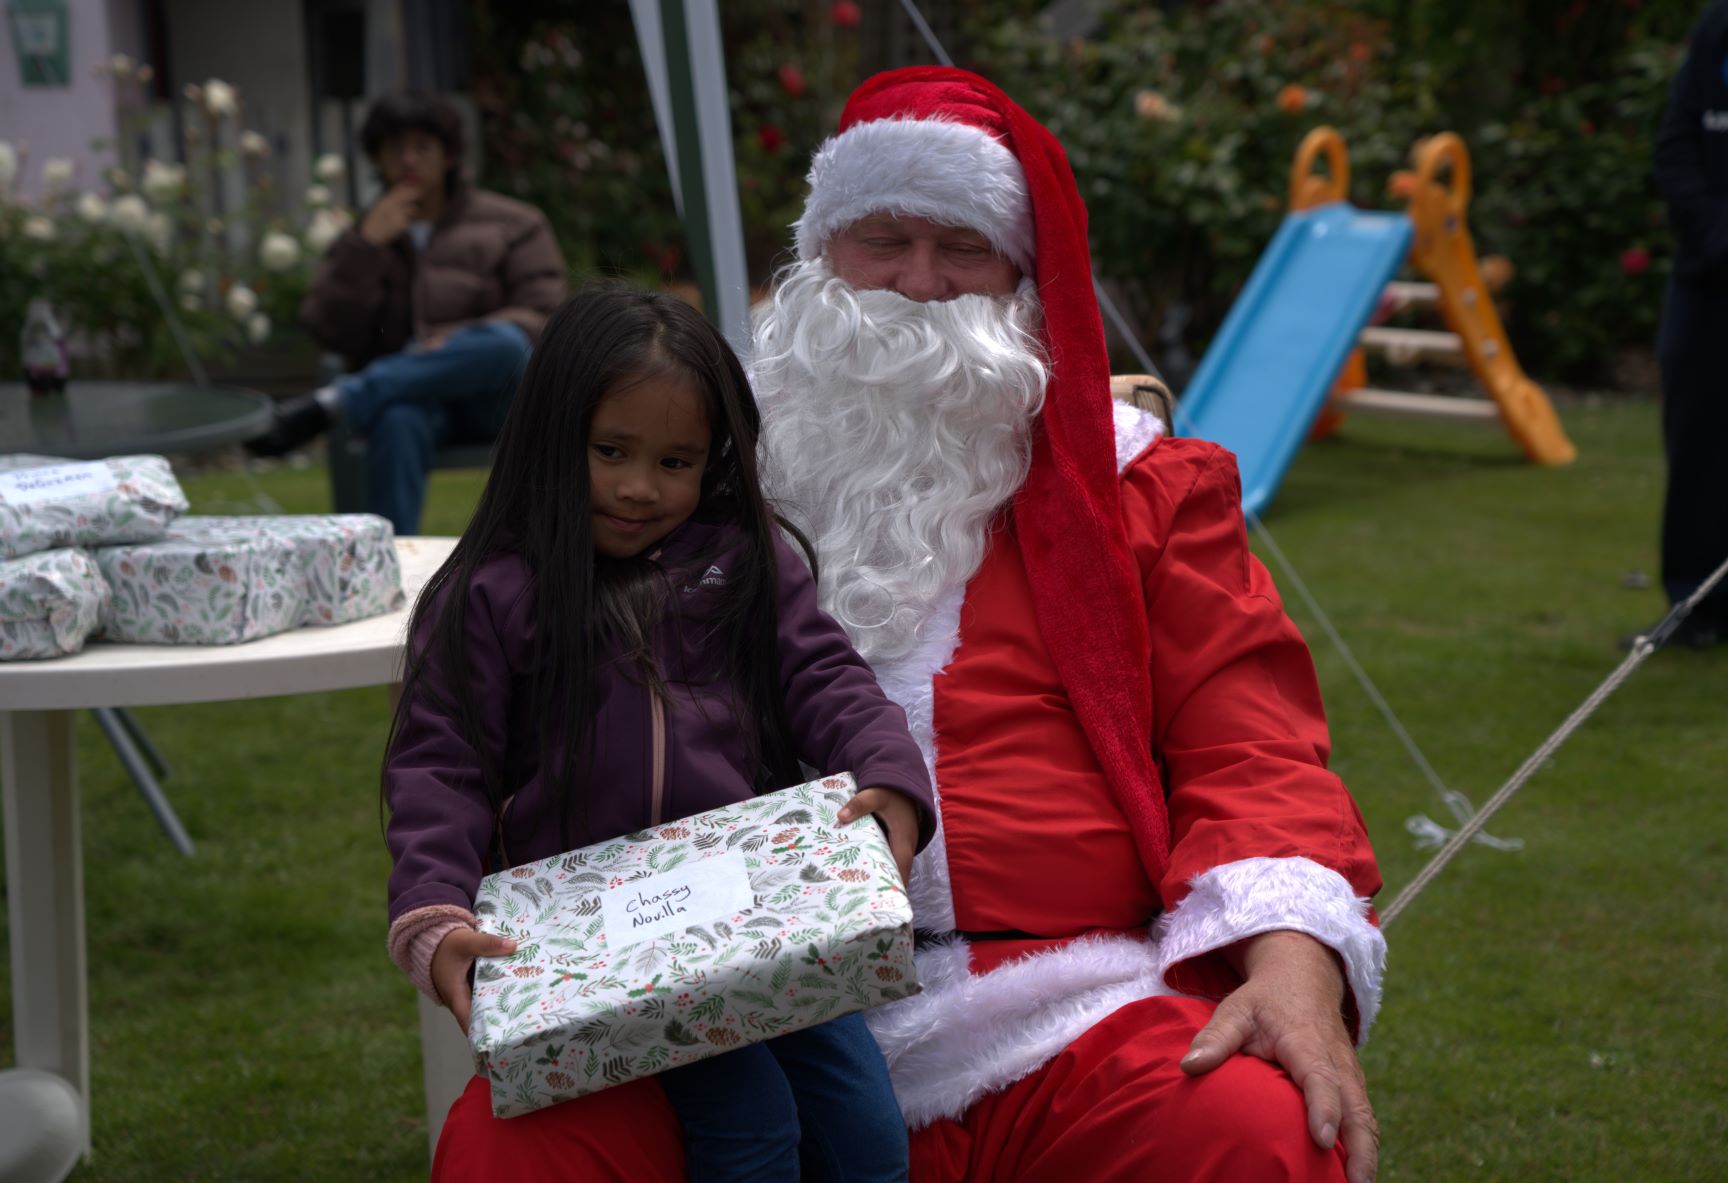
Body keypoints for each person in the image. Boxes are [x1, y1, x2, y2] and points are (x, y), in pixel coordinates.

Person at [426, 69, 1385, 1183]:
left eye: (964, 248)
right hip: (726, 993)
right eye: (882, 240)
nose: (920, 285)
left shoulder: (1142, 490)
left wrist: (1293, 960)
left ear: (1022, 276)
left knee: (1252, 1135)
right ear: (819, 253)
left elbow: (1251, 743)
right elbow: (485, 701)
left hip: (1058, 999)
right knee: (517, 1153)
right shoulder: (681, 474)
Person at [382, 287, 935, 1181]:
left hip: (763, 908)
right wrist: (434, 909)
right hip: (605, 945)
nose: (640, 486)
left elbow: (824, 675)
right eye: (611, 451)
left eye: (676, 461)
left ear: (714, 458)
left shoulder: (742, 556)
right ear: (551, 432)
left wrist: (885, 768)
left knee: (865, 1124)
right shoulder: (492, 592)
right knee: (749, 1123)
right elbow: (440, 767)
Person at [247, 90, 567, 536]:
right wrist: (364, 248)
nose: (409, 160)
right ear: (377, 159)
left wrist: (456, 339)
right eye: (395, 148)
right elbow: (328, 329)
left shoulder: (513, 223)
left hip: (498, 402)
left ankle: (337, 401)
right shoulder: (365, 235)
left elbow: (548, 316)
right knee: (398, 417)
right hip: (413, 404)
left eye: (422, 146)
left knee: (507, 343)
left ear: (449, 155)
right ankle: (392, 558)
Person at [1640, 0, 1728, 648]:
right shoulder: (1725, 21)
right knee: (1704, 449)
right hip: (1709, 284)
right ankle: (1701, 610)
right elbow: (1677, 142)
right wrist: (1716, 231)